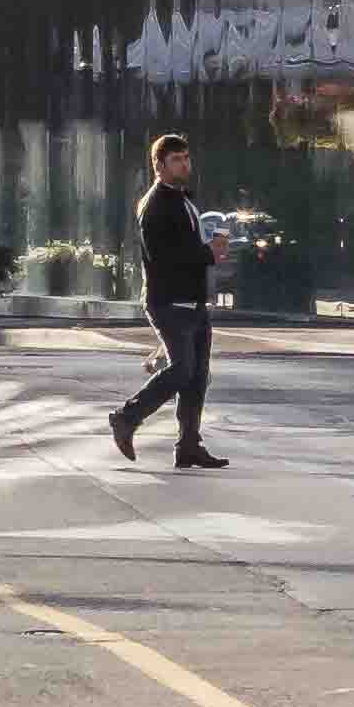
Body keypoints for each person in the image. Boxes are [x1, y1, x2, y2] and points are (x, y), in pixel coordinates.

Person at [102, 137, 223, 468]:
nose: (184, 164)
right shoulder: (156, 204)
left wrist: (207, 251)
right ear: (159, 165)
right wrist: (207, 253)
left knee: (197, 375)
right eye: (176, 159)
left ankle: (188, 444)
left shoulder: (180, 200)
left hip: (191, 302)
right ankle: (127, 416)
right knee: (183, 370)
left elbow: (184, 246)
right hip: (169, 301)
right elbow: (165, 257)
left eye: (186, 158)